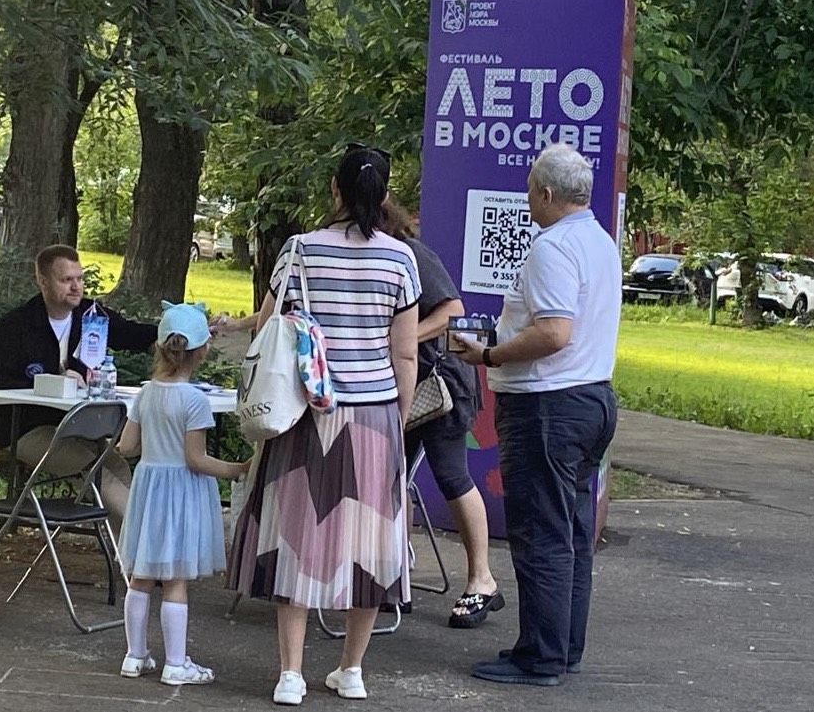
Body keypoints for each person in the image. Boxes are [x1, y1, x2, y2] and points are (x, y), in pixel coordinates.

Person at [227, 146, 420, 705]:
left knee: (296, 536)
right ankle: (351, 670)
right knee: (370, 543)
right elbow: (404, 356)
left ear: (334, 191)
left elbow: (269, 328)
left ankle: (290, 675)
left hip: (305, 413)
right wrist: (395, 420)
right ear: (383, 197)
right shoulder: (400, 261)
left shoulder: (300, 251)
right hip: (375, 414)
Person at [452, 143, 620, 686]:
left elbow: (553, 332)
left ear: (547, 194)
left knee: (541, 534)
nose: (527, 199)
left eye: (530, 190)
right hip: (591, 398)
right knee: (570, 532)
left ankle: (540, 657)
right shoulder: (599, 241)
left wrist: (490, 354)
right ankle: (562, 647)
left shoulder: (553, 246)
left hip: (547, 405)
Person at [382, 205, 503, 628]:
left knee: (451, 475)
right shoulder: (382, 255)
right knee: (390, 478)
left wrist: (404, 336)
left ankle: (482, 580)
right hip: (406, 385)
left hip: (441, 384)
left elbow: (452, 309)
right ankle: (395, 577)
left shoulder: (411, 254)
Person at [116, 302, 250, 686]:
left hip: (148, 488)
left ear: (159, 348)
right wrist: (238, 470)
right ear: (203, 350)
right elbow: (196, 460)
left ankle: (134, 655)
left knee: (141, 574)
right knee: (175, 578)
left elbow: (128, 447)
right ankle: (176, 663)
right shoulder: (195, 401)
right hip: (180, 494)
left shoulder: (145, 394)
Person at [0, 244, 157, 522]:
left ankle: (125, 553)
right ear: (42, 281)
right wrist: (53, 380)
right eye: (66, 280)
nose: (76, 287)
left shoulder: (91, 316)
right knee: (94, 469)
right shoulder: (16, 326)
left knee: (116, 465)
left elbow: (133, 334)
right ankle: (146, 539)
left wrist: (180, 331)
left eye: (80, 278)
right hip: (23, 429)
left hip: (74, 426)